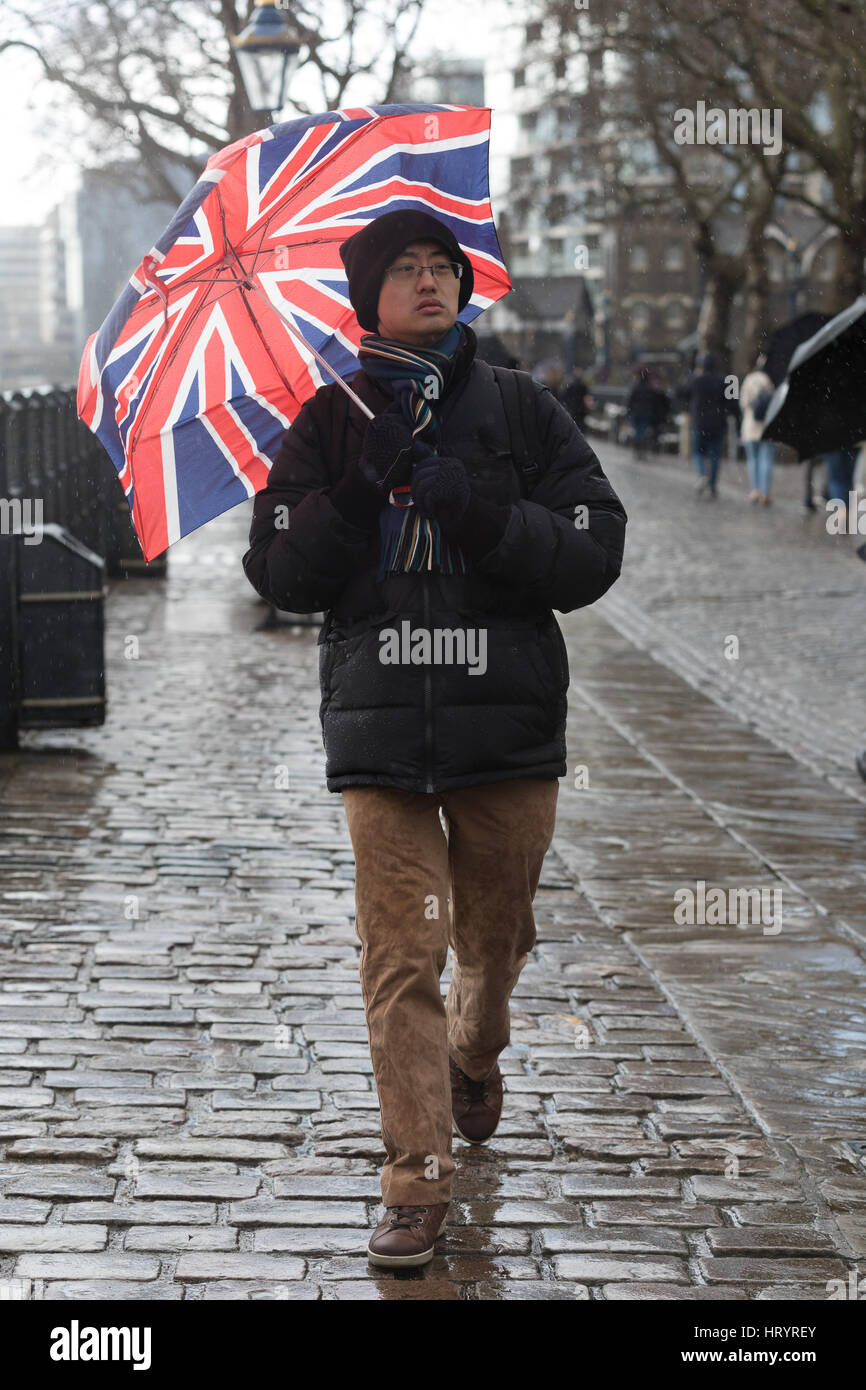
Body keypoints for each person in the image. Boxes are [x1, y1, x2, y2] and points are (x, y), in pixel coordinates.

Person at [242, 209, 628, 1270]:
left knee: (492, 940)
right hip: (381, 730)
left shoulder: (517, 405)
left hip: (504, 725)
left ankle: (478, 1043)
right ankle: (413, 1180)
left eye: (441, 267)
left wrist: (482, 513)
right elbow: (275, 572)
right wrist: (355, 488)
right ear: (365, 296)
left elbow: (595, 550)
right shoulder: (326, 417)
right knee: (399, 954)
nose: (428, 282)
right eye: (404, 269)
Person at [680, 352, 737, 497]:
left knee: (698, 452)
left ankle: (702, 474)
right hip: (718, 423)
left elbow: (682, 393)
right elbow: (732, 401)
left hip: (700, 422)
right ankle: (712, 484)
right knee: (715, 454)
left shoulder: (696, 380)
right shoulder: (724, 380)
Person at [739, 356, 776, 505]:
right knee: (766, 460)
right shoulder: (769, 381)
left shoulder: (749, 380)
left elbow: (743, 403)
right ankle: (765, 492)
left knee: (753, 460)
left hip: (750, 426)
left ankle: (754, 490)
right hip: (766, 427)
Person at [626, 366, 656, 459]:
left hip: (636, 412)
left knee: (637, 431)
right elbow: (652, 402)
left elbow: (630, 400)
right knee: (642, 431)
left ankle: (637, 449)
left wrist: (629, 412)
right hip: (646, 413)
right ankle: (641, 449)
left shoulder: (636, 387)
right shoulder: (650, 388)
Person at [559, 366, 594, 433]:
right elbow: (587, 399)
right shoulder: (582, 386)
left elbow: (564, 397)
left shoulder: (571, 386)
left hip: (575, 411)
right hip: (579, 411)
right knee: (580, 429)